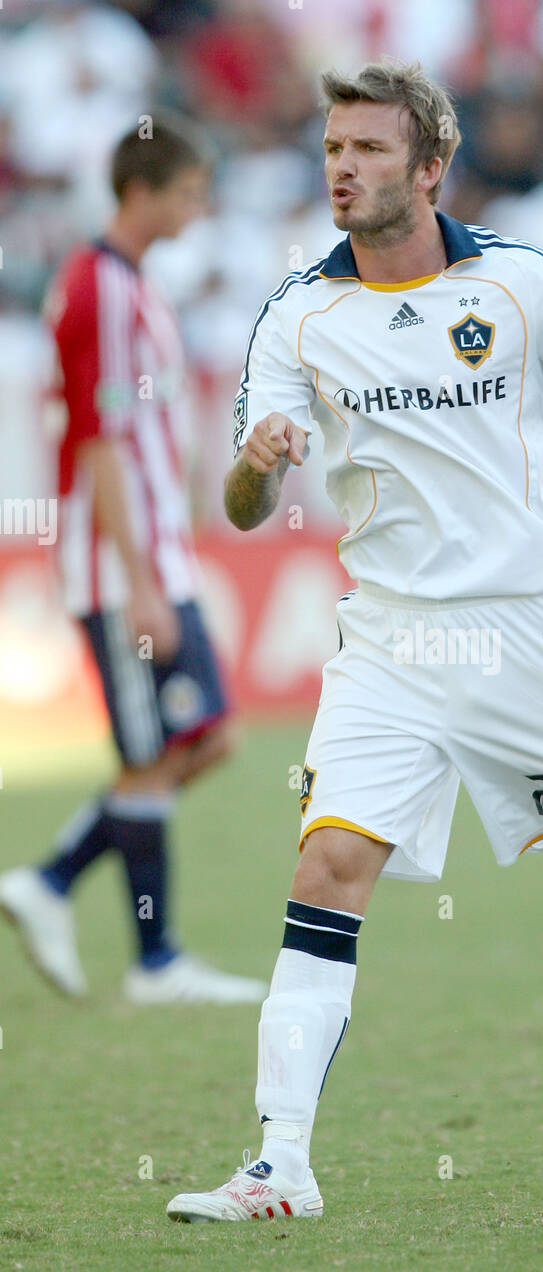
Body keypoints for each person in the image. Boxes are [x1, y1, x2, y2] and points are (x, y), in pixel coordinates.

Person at [168, 60, 543, 1220]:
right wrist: (252, 468)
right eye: (331, 150)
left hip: (532, 631)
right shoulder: (297, 310)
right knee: (325, 867)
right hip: (388, 642)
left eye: (366, 150)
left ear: (429, 166)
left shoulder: (516, 284)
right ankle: (279, 1163)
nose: (341, 169)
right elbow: (243, 504)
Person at [0, 114, 265, 1005]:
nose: (200, 207)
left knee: (207, 735)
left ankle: (53, 880)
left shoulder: (133, 283)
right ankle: (156, 960)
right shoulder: (100, 286)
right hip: (123, 569)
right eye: (190, 191)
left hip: (157, 555)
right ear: (144, 190)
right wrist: (140, 582)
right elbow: (102, 441)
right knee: (154, 753)